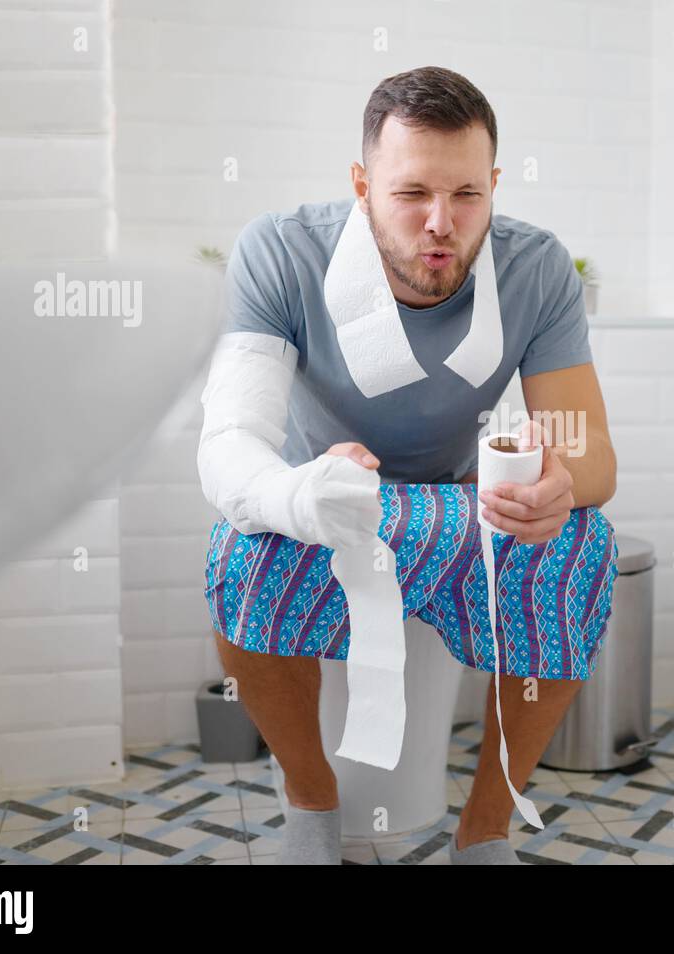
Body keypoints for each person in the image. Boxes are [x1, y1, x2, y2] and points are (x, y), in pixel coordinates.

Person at [199, 66, 618, 865]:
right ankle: (312, 807)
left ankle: (485, 832)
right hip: (317, 499)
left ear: (494, 184)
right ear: (361, 184)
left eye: (467, 194)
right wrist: (294, 494)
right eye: (411, 192)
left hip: (456, 507)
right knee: (239, 551)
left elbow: (591, 451)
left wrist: (559, 485)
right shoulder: (281, 252)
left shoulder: (535, 268)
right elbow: (230, 443)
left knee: (579, 544)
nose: (441, 222)